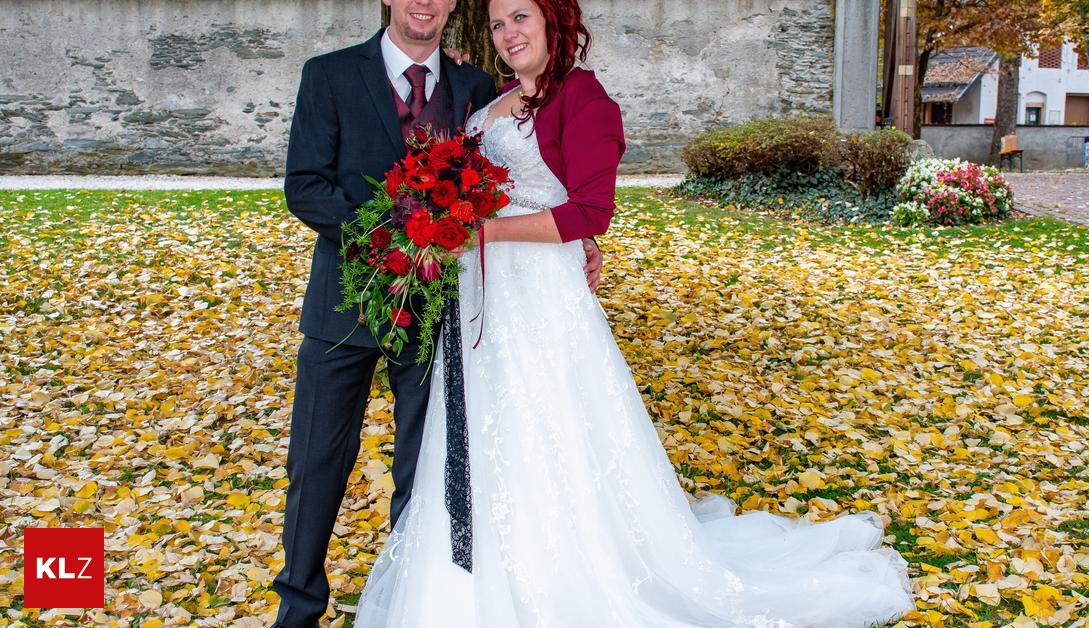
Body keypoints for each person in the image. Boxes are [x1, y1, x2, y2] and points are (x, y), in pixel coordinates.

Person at [356, 0, 915, 625]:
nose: (508, 34)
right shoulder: (491, 100)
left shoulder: (585, 99)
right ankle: (467, 569)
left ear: (553, 22)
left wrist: (486, 234)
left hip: (539, 295)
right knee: (477, 425)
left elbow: (589, 213)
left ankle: (560, 571)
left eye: (521, 18)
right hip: (480, 294)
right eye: (496, 24)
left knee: (548, 422)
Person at [272, 0, 604, 625]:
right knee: (315, 461)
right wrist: (394, 235)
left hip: (440, 311)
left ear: (451, 4)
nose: (423, 2)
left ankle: (411, 600)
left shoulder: (476, 85)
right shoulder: (329, 74)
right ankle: (298, 608)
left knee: (423, 465)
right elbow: (305, 185)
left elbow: (522, 176)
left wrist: (580, 236)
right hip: (343, 305)